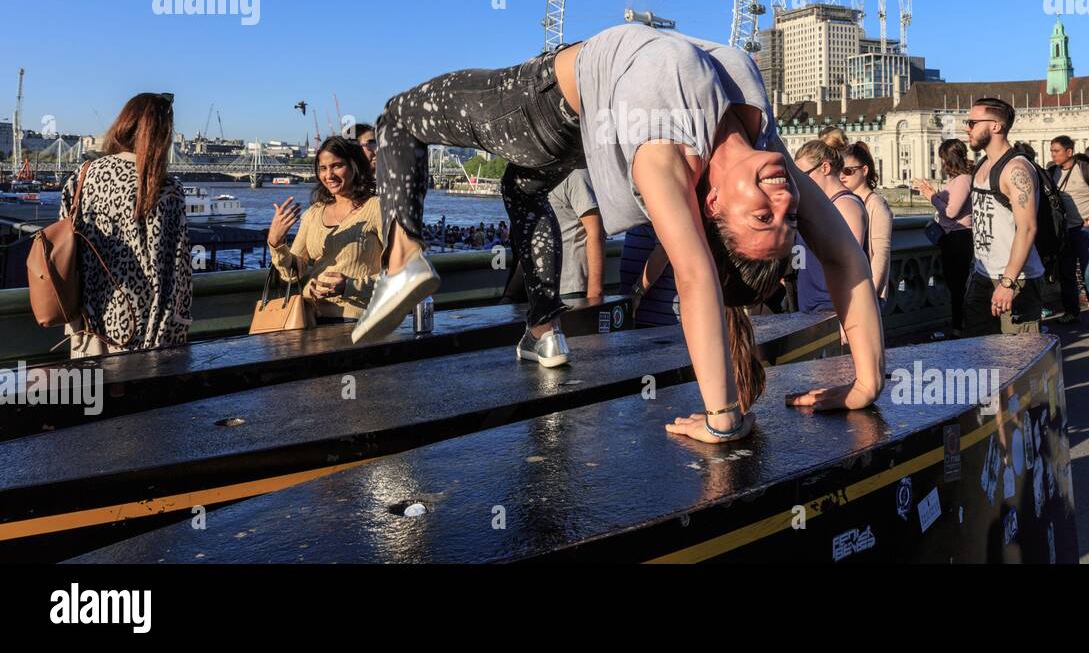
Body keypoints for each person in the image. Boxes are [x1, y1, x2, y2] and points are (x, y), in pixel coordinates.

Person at [354, 23, 885, 444]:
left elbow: (697, 274)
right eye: (788, 220)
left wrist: (724, 418)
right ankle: (543, 333)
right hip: (583, 134)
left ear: (715, 204)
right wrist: (866, 382)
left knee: (399, 118)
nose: (785, 201)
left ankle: (403, 262)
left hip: (539, 106)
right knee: (521, 191)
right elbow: (844, 257)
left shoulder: (665, 154)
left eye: (762, 218)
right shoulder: (766, 148)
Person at [58, 93, 192, 357]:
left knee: (91, 396)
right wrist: (175, 338)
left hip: (86, 324)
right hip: (142, 333)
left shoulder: (83, 175)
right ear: (162, 135)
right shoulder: (164, 188)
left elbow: (62, 248)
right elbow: (178, 272)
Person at [267, 136, 382, 323]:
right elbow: (292, 274)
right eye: (323, 168)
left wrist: (350, 286)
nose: (329, 175)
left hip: (361, 322)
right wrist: (276, 242)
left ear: (355, 166)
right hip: (312, 320)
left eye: (337, 166)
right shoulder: (314, 213)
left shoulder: (377, 208)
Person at [965, 98, 1045, 336]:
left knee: (1019, 362)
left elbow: (1028, 228)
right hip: (982, 275)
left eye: (972, 122)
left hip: (1016, 279)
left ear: (996, 126)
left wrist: (1008, 282)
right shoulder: (982, 166)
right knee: (978, 359)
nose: (966, 128)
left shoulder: (1016, 170)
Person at [501, 168, 606, 302]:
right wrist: (510, 294)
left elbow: (596, 232)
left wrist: (594, 293)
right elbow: (533, 246)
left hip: (571, 290)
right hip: (541, 292)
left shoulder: (575, 174)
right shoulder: (534, 177)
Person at [792, 130, 868, 314]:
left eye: (803, 175)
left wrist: (847, 319)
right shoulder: (817, 207)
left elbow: (852, 270)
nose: (799, 183)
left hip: (832, 308)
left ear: (825, 168)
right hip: (809, 306)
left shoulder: (846, 206)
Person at [912, 138, 973, 338]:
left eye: (942, 159)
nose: (941, 163)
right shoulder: (955, 180)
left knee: (958, 285)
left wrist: (931, 196)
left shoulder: (963, 179)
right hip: (950, 237)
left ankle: (960, 328)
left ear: (949, 159)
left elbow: (952, 211)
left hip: (959, 237)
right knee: (953, 284)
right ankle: (959, 325)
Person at [1047, 136, 1089, 326]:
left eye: (1057, 151)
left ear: (1069, 152)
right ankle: (1071, 311)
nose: (1053, 154)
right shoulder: (1051, 172)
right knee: (1066, 273)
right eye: (1052, 151)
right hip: (1063, 231)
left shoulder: (1085, 169)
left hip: (1085, 230)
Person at [839, 140, 893, 302]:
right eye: (839, 170)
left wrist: (871, 294)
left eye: (848, 170)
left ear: (864, 170)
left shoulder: (876, 204)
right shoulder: (846, 202)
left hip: (868, 290)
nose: (842, 175)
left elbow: (881, 252)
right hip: (849, 286)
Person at [619, 223, 680, 327]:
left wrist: (636, 293)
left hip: (658, 316)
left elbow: (663, 250)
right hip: (640, 312)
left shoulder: (659, 208)